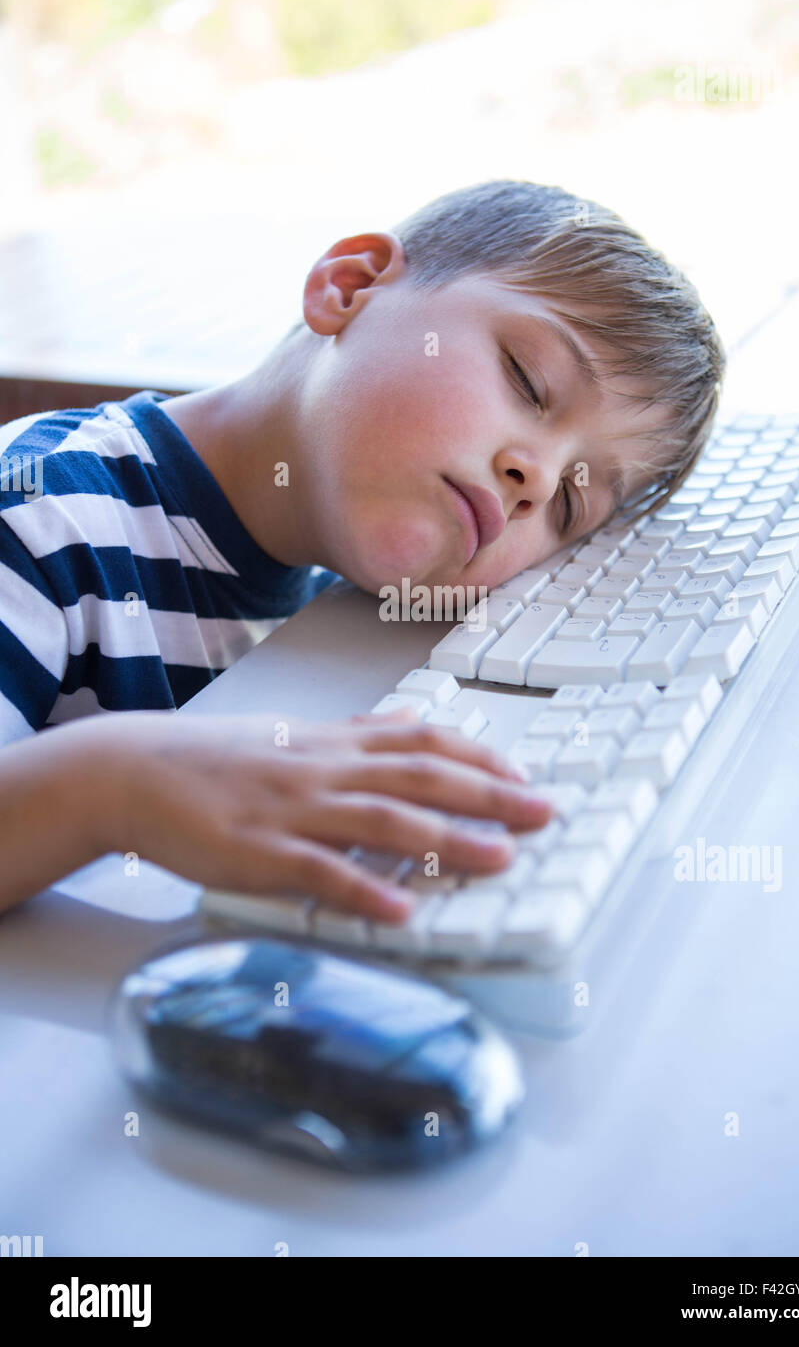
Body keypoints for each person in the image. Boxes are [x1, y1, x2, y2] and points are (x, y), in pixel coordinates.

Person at [0, 179, 725, 917]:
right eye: (527, 380)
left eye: (572, 504)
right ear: (348, 287)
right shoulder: (37, 515)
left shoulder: (320, 584)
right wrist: (118, 792)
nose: (535, 478)